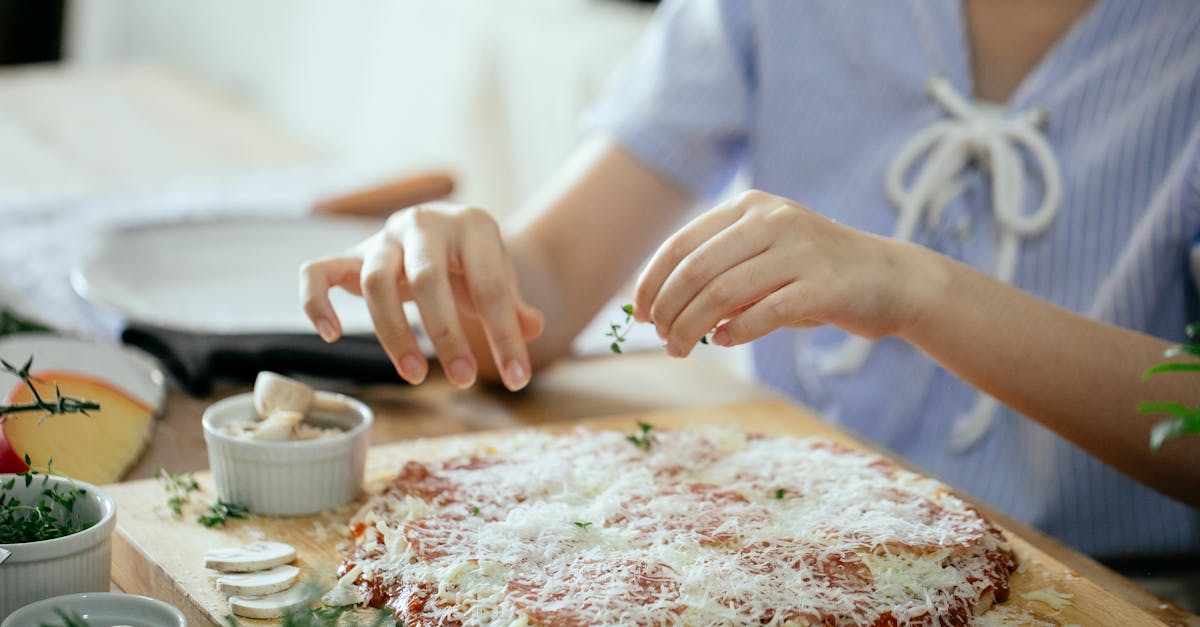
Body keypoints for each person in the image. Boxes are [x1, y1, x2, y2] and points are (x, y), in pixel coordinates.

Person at [300, 0, 1200, 560]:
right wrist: (467, 283)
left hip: (1109, 588)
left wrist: (918, 287)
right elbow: (556, 281)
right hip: (792, 543)